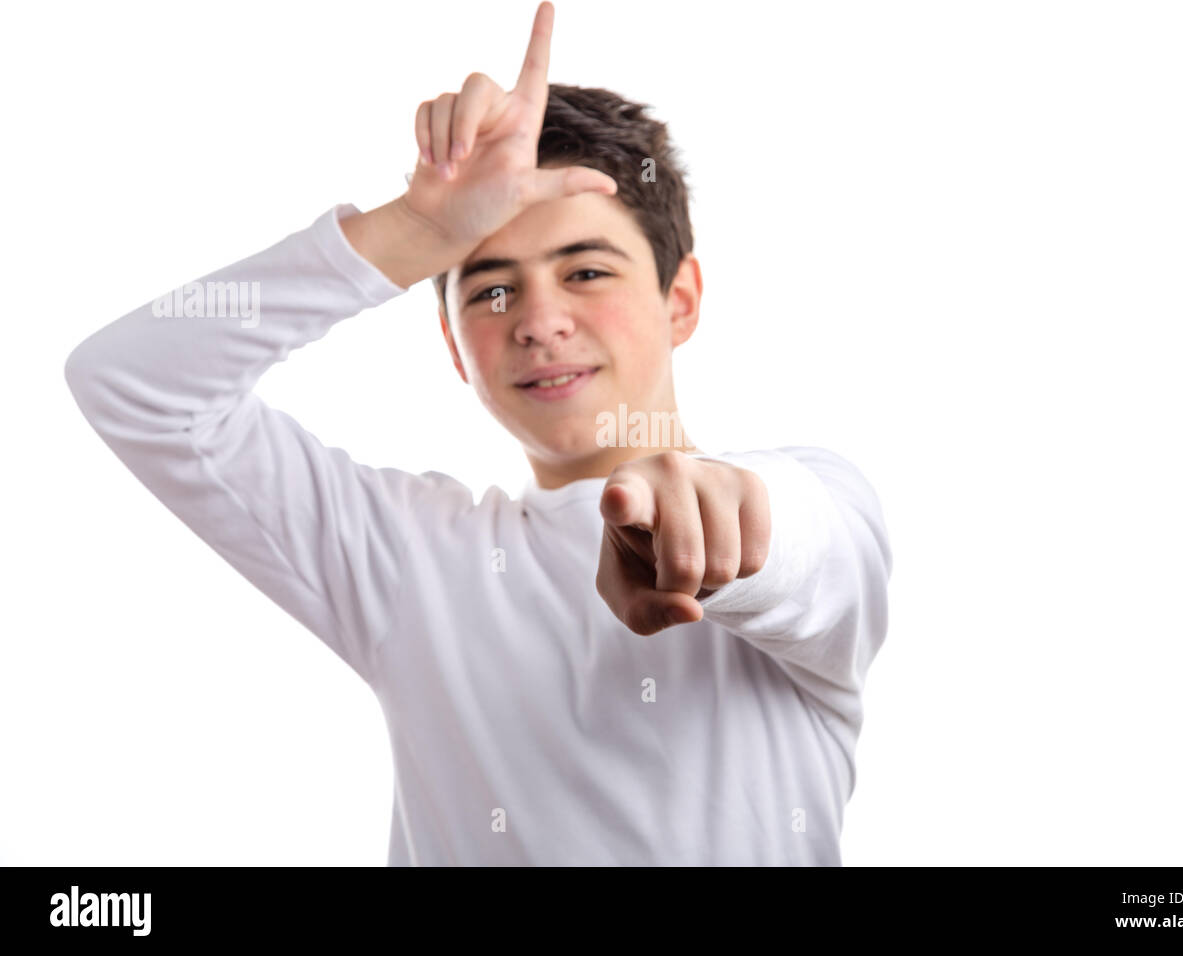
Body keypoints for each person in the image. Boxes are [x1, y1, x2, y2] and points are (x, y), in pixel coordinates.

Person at [63, 1, 892, 865]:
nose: (538, 321)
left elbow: (793, 542)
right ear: (456, 348)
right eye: (491, 289)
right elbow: (133, 381)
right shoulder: (410, 557)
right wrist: (410, 232)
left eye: (586, 271)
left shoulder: (822, 500)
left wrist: (704, 517)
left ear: (680, 299)